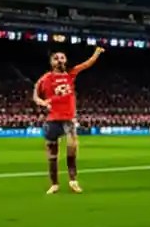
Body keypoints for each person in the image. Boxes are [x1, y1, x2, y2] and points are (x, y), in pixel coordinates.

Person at [33, 47, 104, 195]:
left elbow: (87, 64)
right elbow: (35, 95)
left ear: (65, 60)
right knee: (52, 155)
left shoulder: (71, 74)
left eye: (62, 57)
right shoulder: (46, 78)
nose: (59, 60)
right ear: (51, 62)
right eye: (56, 58)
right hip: (52, 119)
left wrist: (96, 53)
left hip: (68, 120)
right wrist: (43, 102)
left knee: (72, 150)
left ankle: (73, 181)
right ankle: (54, 184)